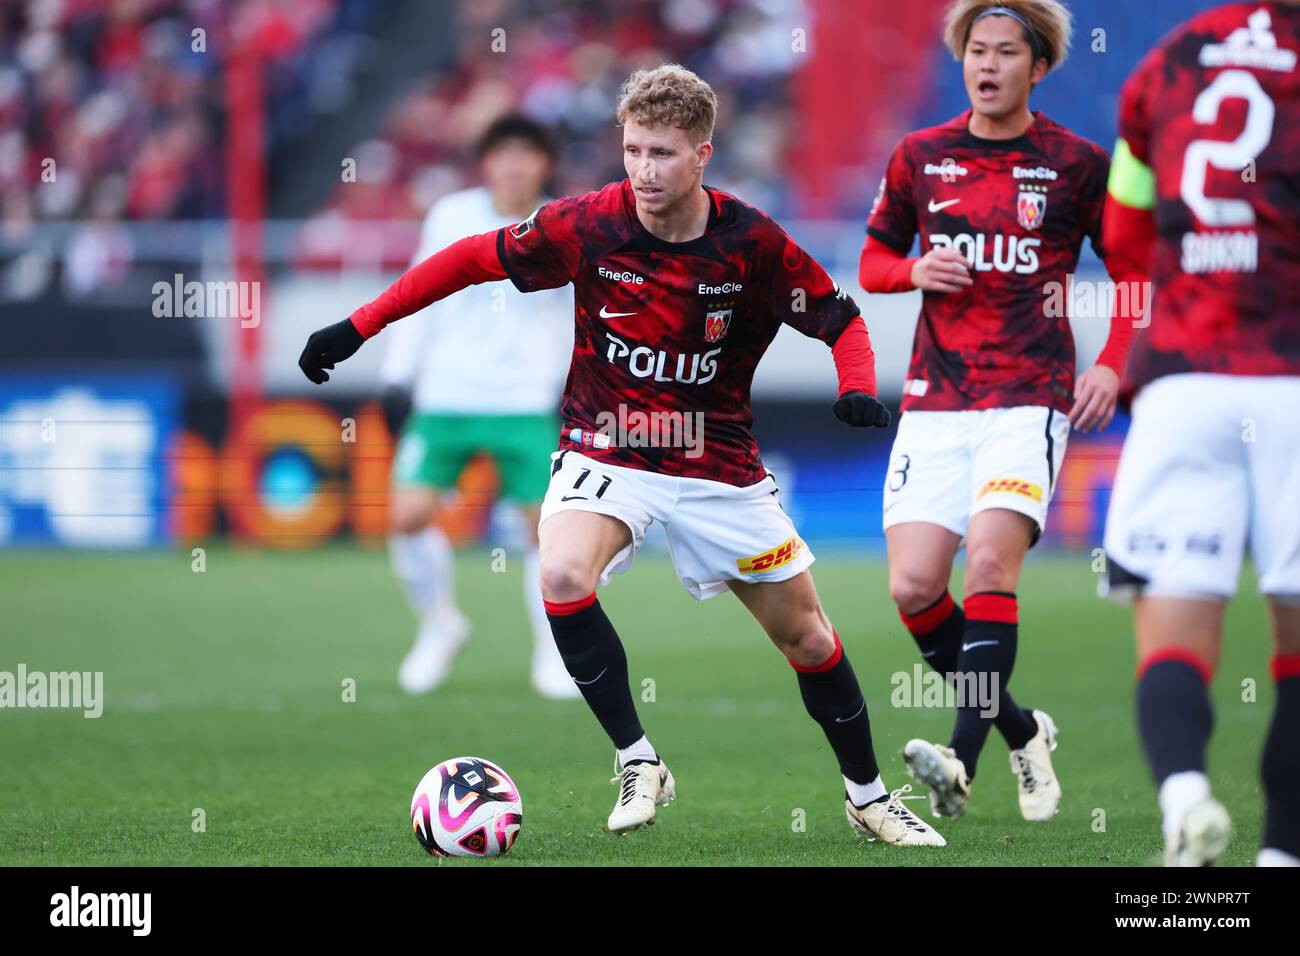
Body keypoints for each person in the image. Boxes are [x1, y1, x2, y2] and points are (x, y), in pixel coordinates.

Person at [301, 64, 944, 846]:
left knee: (808, 638)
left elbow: (841, 318)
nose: (643, 170)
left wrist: (855, 386)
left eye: (663, 154)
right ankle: (639, 759)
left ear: (702, 155)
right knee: (563, 571)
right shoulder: (589, 223)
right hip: (607, 447)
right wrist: (359, 327)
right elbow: (469, 259)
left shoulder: (751, 242)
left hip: (717, 465)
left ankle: (869, 796)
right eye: (633, 150)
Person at [859, 0, 1140, 822]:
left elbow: (1134, 274)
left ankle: (961, 755)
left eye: (1005, 52)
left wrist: (1116, 365)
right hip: (935, 401)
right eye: (975, 51)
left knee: (986, 568)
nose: (986, 65)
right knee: (914, 588)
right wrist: (912, 273)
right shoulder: (921, 155)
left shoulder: (1078, 163)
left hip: (1029, 397)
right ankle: (1024, 732)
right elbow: (875, 257)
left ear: (1038, 66)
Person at [1101, 1, 1300, 866]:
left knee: (1173, 629)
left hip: (1183, 380)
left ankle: (1185, 794)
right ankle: (1282, 858)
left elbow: (1123, 225)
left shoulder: (1170, 59)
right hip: (1291, 375)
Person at [378, 114, 577, 699]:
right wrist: (397, 375)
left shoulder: (564, 224)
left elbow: (582, 313)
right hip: (446, 394)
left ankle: (553, 650)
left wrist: (578, 386)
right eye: (502, 154)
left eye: (526, 154)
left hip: (524, 400)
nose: (513, 165)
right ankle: (439, 625)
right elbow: (419, 294)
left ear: (544, 163)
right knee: (407, 515)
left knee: (544, 531)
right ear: (485, 162)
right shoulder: (452, 216)